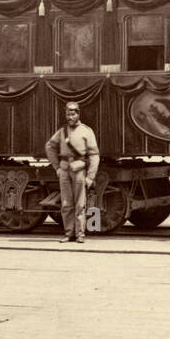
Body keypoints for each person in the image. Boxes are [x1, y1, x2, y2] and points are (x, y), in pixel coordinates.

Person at [45, 101, 100, 242]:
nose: (70, 117)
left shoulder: (86, 131)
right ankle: (69, 233)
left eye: (73, 114)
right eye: (68, 114)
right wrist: (56, 167)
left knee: (80, 204)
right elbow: (50, 146)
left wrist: (90, 176)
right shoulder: (62, 131)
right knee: (66, 203)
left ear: (78, 114)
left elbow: (94, 155)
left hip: (79, 170)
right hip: (64, 170)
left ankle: (80, 234)